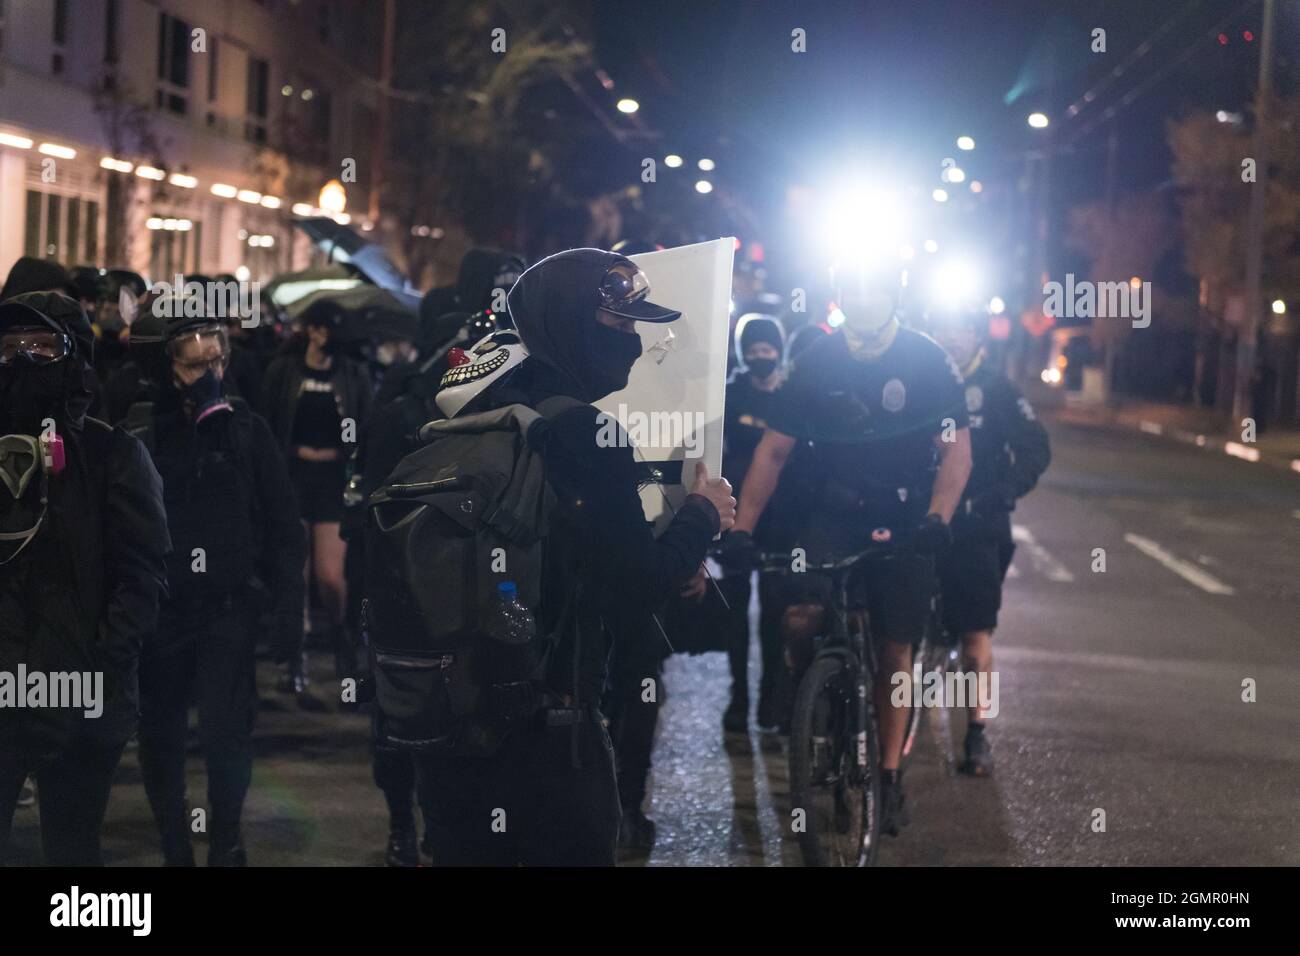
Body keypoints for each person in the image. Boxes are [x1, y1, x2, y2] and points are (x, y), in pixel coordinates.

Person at [414, 248, 735, 866]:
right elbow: (634, 591)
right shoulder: (586, 433)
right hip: (548, 736)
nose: (635, 342)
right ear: (571, 324)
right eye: (619, 325)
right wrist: (701, 514)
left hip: (446, 722)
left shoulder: (475, 411)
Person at [722, 262, 972, 835]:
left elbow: (957, 449)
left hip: (907, 519)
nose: (863, 297)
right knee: (801, 618)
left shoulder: (926, 359)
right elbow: (773, 452)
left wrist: (939, 516)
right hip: (832, 514)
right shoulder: (818, 359)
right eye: (853, 287)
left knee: (893, 656)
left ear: (894, 292)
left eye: (874, 285)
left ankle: (887, 777)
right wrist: (741, 527)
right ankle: (819, 703)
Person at [125, 297, 305, 866]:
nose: (212, 376)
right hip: (162, 609)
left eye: (218, 361)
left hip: (228, 607)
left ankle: (226, 842)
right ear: (162, 367)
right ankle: (175, 843)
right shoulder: (138, 431)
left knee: (227, 733)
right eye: (195, 365)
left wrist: (287, 612)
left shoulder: (246, 429)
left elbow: (282, 522)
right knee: (162, 733)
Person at [0, 291, 169, 865]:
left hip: (81, 705)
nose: (23, 359)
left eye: (41, 346)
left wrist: (96, 671)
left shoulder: (114, 455)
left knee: (73, 857)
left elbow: (142, 578)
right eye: (11, 346)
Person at [926, 305, 1050, 776]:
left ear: (977, 337)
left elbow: (1037, 448)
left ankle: (977, 733)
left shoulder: (997, 388)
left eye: (959, 327)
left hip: (978, 529)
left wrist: (1001, 495)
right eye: (942, 325)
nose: (950, 335)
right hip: (925, 521)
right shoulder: (924, 381)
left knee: (975, 632)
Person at [261, 299, 372, 690]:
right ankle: (293, 657)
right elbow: (270, 423)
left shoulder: (351, 375)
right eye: (322, 328)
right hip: (291, 478)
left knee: (329, 575)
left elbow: (361, 428)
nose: (326, 337)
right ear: (310, 330)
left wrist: (350, 459)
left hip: (331, 481)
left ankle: (342, 639)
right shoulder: (284, 371)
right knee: (296, 576)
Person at [717, 313, 795, 733]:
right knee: (734, 612)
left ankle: (771, 698)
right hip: (735, 517)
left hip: (780, 519)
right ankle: (739, 697)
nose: (761, 357)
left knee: (774, 611)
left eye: (767, 349)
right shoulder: (731, 394)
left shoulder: (789, 396)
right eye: (753, 350)